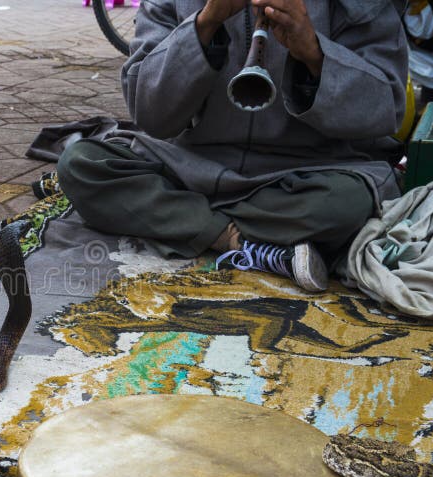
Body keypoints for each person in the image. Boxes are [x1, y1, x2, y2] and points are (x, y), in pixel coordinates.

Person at [54, 0, 408, 292]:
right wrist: (206, 23)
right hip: (194, 164)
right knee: (82, 164)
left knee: (347, 203)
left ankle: (191, 223)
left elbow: (386, 109)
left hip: (304, 171)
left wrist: (313, 52)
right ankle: (242, 240)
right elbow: (150, 113)